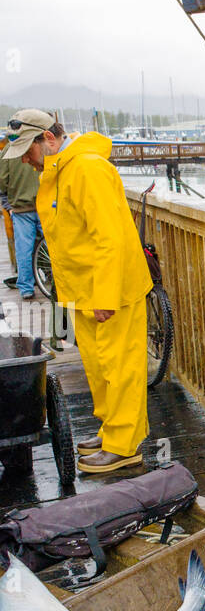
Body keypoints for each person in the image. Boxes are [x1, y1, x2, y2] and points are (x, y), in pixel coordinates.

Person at [1, 110, 151, 474]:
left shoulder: (86, 169)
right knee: (99, 367)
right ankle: (111, 428)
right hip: (82, 289)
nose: (24, 159)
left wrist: (104, 295)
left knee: (120, 367)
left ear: (49, 139)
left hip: (109, 290)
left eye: (27, 151)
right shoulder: (58, 171)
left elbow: (109, 237)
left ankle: (124, 445)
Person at [0, 131, 40, 299]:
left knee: (23, 249)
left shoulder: (8, 151)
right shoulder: (36, 146)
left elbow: (2, 180)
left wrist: (9, 201)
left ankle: (26, 288)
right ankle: (56, 281)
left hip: (20, 207)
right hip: (43, 204)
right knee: (52, 246)